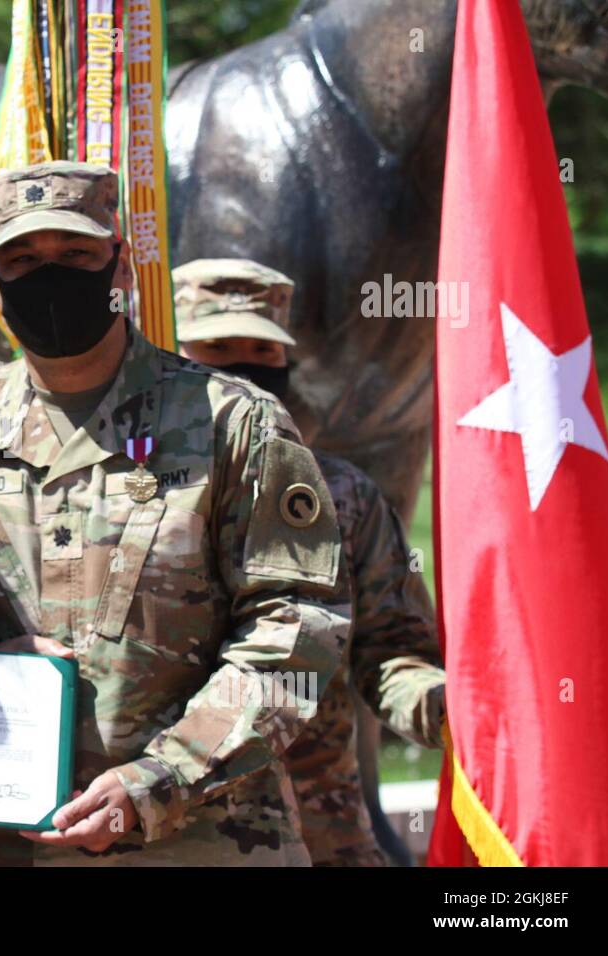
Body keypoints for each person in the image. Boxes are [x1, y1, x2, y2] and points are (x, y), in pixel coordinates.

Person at [0, 161, 352, 866]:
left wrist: (160, 779)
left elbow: (297, 629)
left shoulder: (231, 422)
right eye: (23, 259)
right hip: (14, 845)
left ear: (120, 270)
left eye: (76, 255)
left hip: (207, 842)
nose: (50, 274)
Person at [172, 257, 447, 866]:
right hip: (162, 833)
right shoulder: (120, 493)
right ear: (175, 354)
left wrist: (446, 710)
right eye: (218, 347)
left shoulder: (342, 495)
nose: (242, 365)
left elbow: (391, 651)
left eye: (261, 352)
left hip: (318, 829)